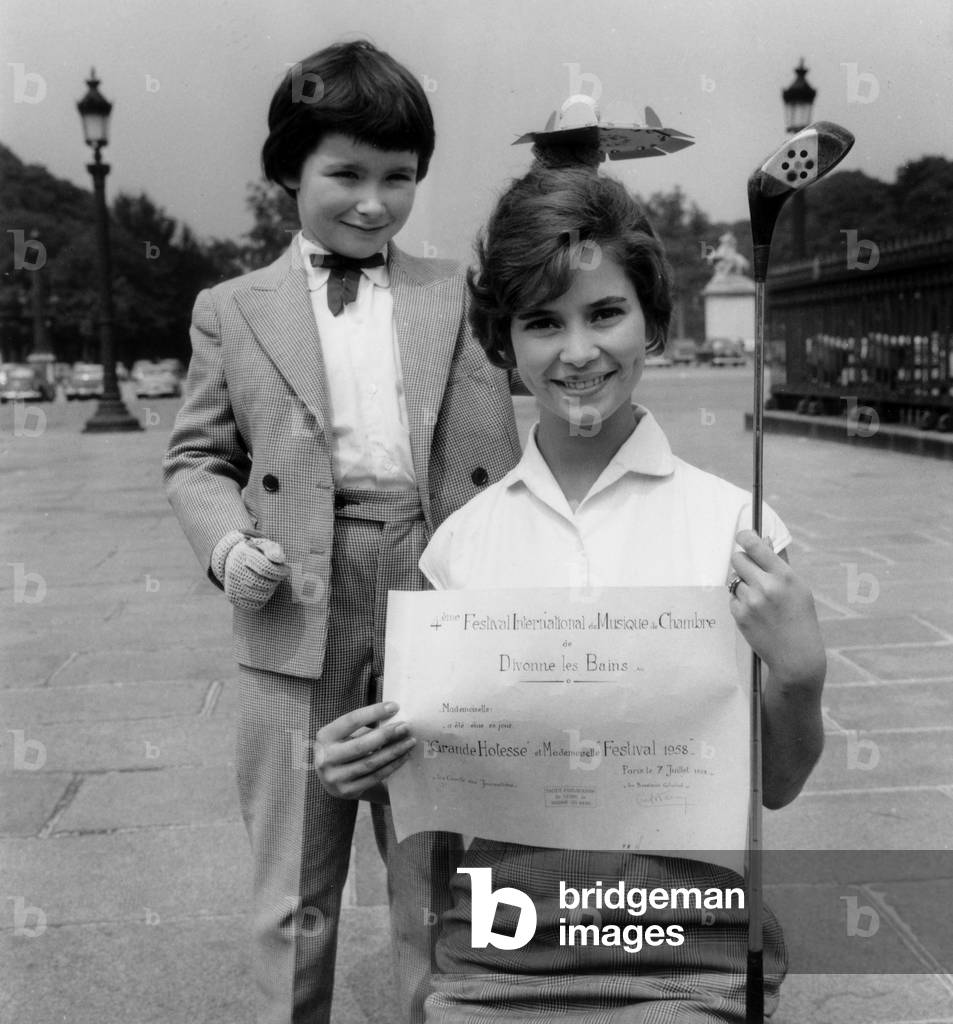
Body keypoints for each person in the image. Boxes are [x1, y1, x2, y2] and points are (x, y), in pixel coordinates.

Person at [315, 164, 827, 1022]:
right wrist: (357, 769)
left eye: (605, 313)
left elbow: (772, 785)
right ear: (504, 344)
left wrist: (800, 675)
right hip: (496, 959)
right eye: (543, 322)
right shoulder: (459, 548)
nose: (578, 351)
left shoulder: (736, 528)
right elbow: (439, 784)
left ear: (653, 321)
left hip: (682, 958)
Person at [162, 40, 520, 1024]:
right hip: (294, 605)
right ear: (289, 170)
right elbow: (195, 459)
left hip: (435, 593)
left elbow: (554, 338)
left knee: (440, 876)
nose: (372, 203)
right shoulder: (231, 310)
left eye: (397, 177)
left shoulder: (459, 294)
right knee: (293, 882)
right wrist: (229, 546)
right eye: (346, 175)